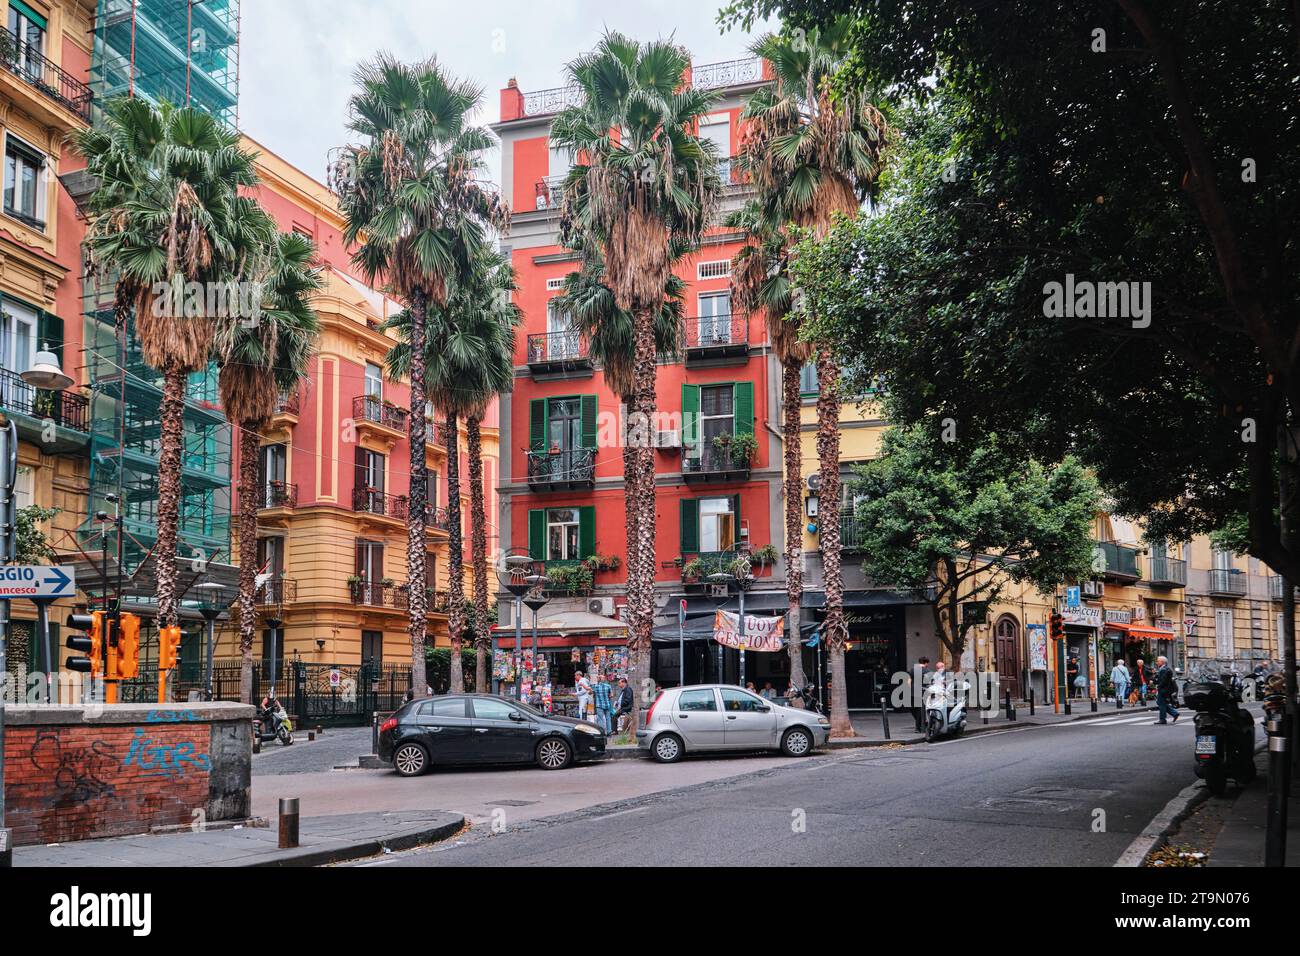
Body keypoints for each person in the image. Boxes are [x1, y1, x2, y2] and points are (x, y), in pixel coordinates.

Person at [1153, 655, 1180, 725]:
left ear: (1162, 662)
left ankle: (1162, 719)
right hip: (1165, 689)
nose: (1157, 662)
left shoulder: (1164, 669)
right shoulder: (1164, 669)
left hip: (1163, 690)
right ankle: (1175, 713)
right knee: (1162, 703)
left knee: (1161, 704)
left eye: (1158, 661)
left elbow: (1163, 681)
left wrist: (1158, 686)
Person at [911, 656, 931, 732]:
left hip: (912, 692)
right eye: (927, 663)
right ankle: (918, 727)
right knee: (920, 710)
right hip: (922, 692)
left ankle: (920, 724)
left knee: (916, 709)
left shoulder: (913, 669)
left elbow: (909, 681)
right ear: (926, 663)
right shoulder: (927, 671)